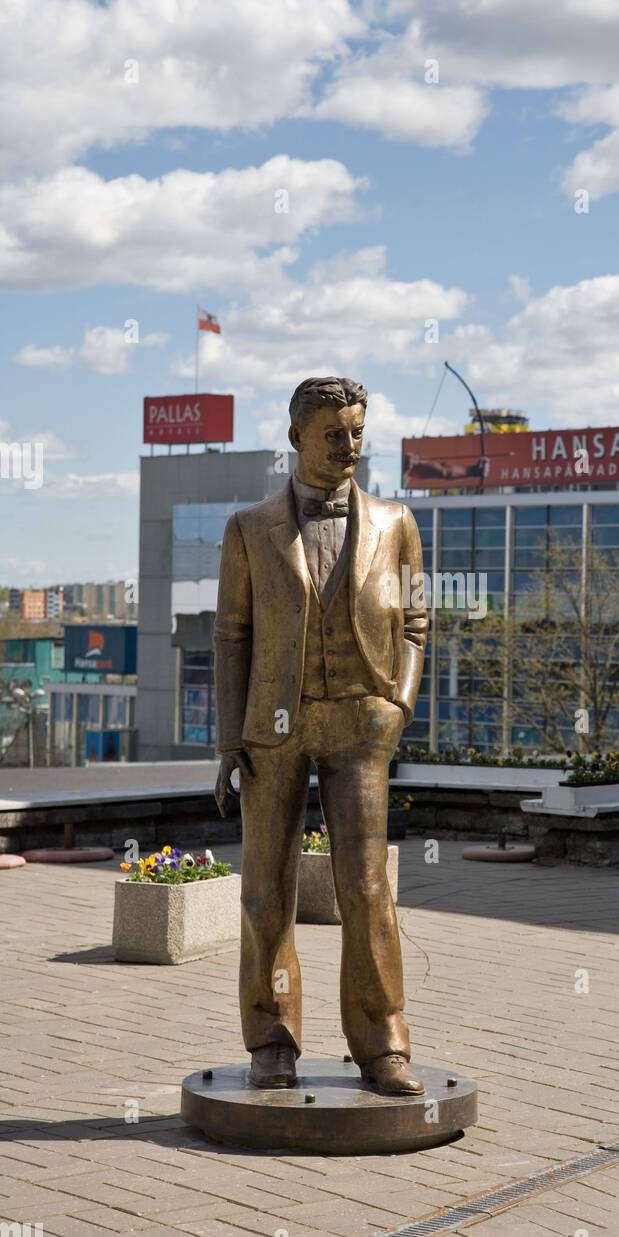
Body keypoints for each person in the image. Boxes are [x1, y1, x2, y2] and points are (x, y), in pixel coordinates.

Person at [214, 376, 428, 1094]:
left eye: (358, 432)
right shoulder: (248, 529)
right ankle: (272, 1040)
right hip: (271, 728)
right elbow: (231, 636)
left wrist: (397, 702)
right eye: (334, 433)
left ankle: (383, 1043)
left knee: (365, 886)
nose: (350, 446)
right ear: (296, 438)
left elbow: (418, 625)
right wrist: (226, 739)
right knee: (264, 889)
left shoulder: (397, 523)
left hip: (361, 724)